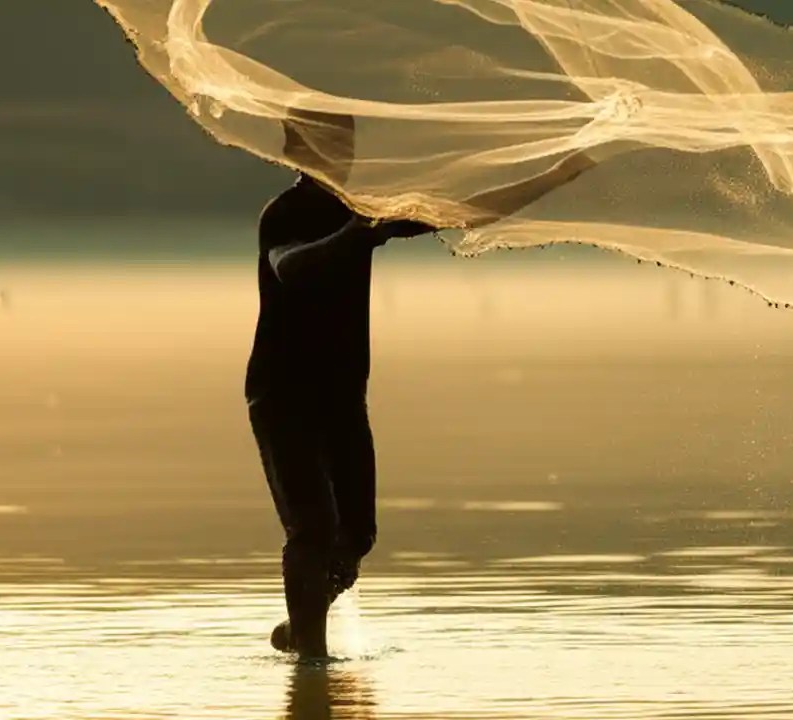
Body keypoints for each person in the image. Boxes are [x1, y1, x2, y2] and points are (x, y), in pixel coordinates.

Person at [248, 108, 596, 660]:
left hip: (341, 395)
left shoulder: (362, 211)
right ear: (298, 150)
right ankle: (312, 659)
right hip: (284, 394)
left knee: (355, 538)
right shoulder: (285, 213)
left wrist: (562, 171)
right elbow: (292, 268)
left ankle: (300, 626)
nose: (344, 155)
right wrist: (356, 234)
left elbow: (466, 211)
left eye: (348, 144)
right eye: (330, 143)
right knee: (312, 531)